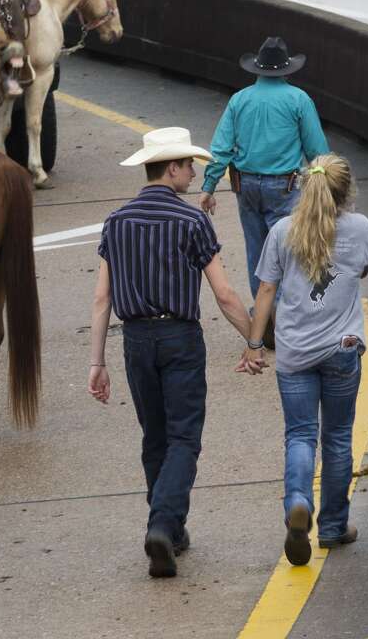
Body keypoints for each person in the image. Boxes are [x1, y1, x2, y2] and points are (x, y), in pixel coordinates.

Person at [87, 127, 254, 578]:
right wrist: (253, 340)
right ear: (173, 167)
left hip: (135, 340)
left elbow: (102, 299)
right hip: (179, 337)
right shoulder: (192, 221)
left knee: (155, 436)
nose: (195, 172)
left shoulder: (116, 222)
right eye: (189, 164)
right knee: (184, 438)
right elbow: (224, 294)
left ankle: (171, 530)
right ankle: (162, 524)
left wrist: (97, 361)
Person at [238, 154, 368, 566]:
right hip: (342, 348)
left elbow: (265, 291)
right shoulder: (361, 227)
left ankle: (298, 502)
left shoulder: (282, 231)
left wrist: (254, 344)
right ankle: (333, 526)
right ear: (346, 191)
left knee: (300, 436)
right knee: (337, 438)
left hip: (295, 353)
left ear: (304, 186)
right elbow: (365, 269)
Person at [198, 37, 330, 301]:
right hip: (285, 186)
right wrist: (328, 189)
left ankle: (264, 318)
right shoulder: (298, 99)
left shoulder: (239, 100)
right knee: (289, 254)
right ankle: (286, 316)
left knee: (256, 254)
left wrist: (208, 187)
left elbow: (221, 148)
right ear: (286, 68)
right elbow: (317, 151)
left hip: (245, 186)